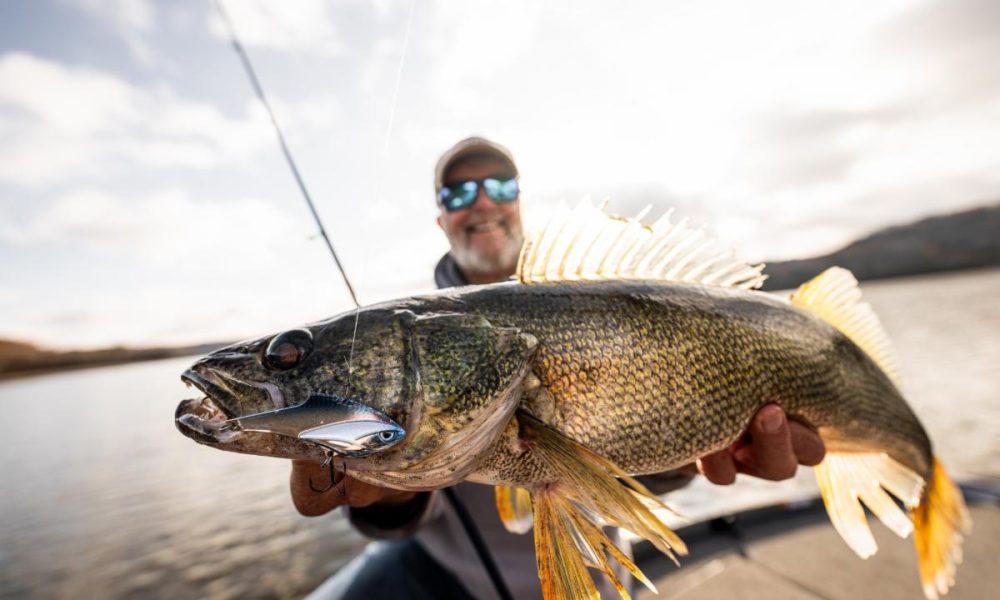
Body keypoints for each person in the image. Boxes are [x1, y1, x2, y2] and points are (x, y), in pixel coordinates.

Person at [292, 137, 826, 599]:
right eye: (459, 193)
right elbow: (391, 521)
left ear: (520, 201)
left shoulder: (602, 293)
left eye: (499, 186)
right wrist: (389, 492)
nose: (481, 202)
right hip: (449, 580)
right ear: (441, 218)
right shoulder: (405, 335)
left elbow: (636, 476)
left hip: (594, 572)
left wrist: (686, 455)